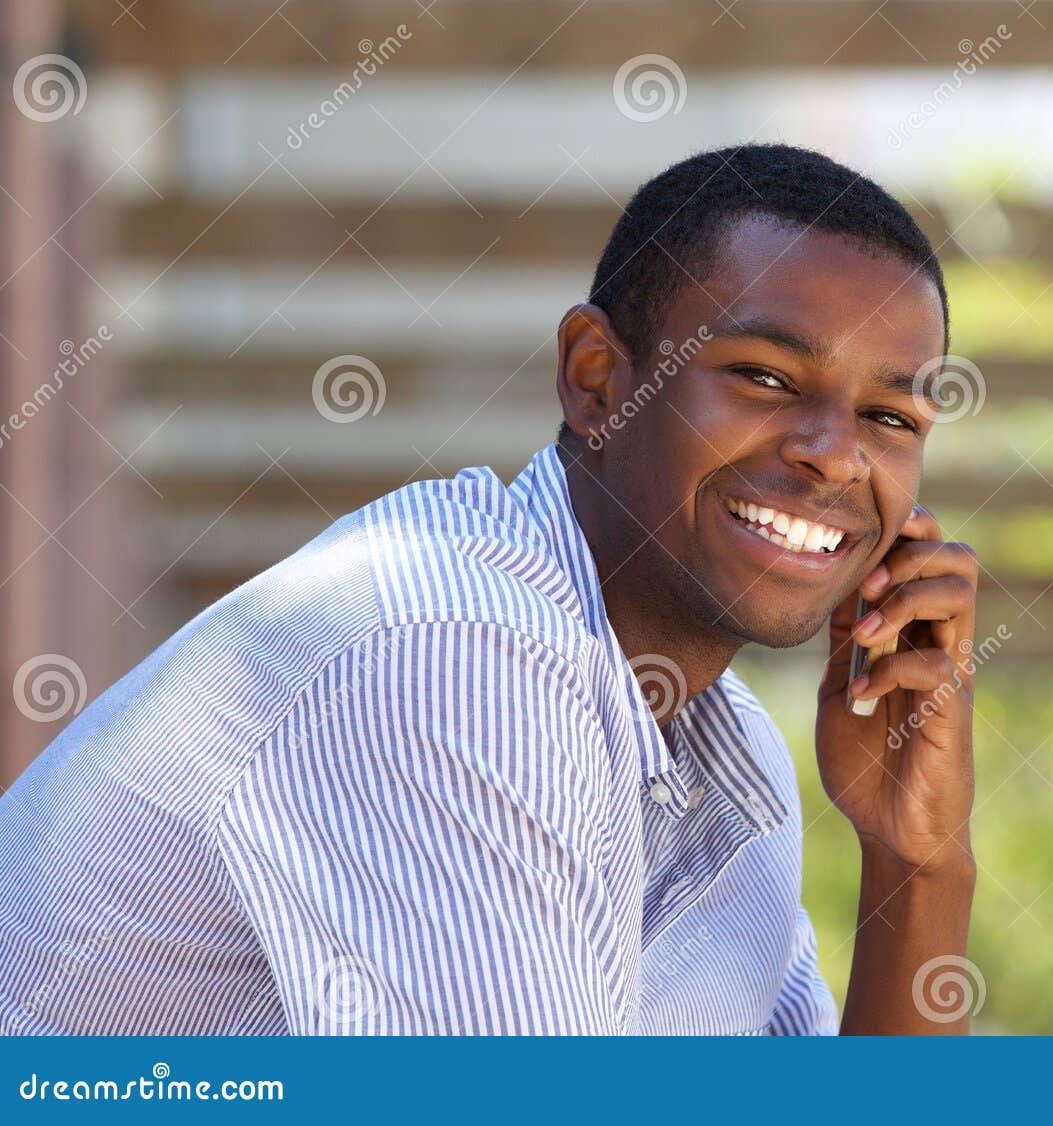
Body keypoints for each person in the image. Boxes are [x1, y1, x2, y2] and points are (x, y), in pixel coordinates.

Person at [0, 142, 980, 1034]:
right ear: (597, 379)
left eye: (891, 418)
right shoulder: (449, 650)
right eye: (765, 377)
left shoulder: (731, 763)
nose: (836, 457)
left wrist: (918, 863)